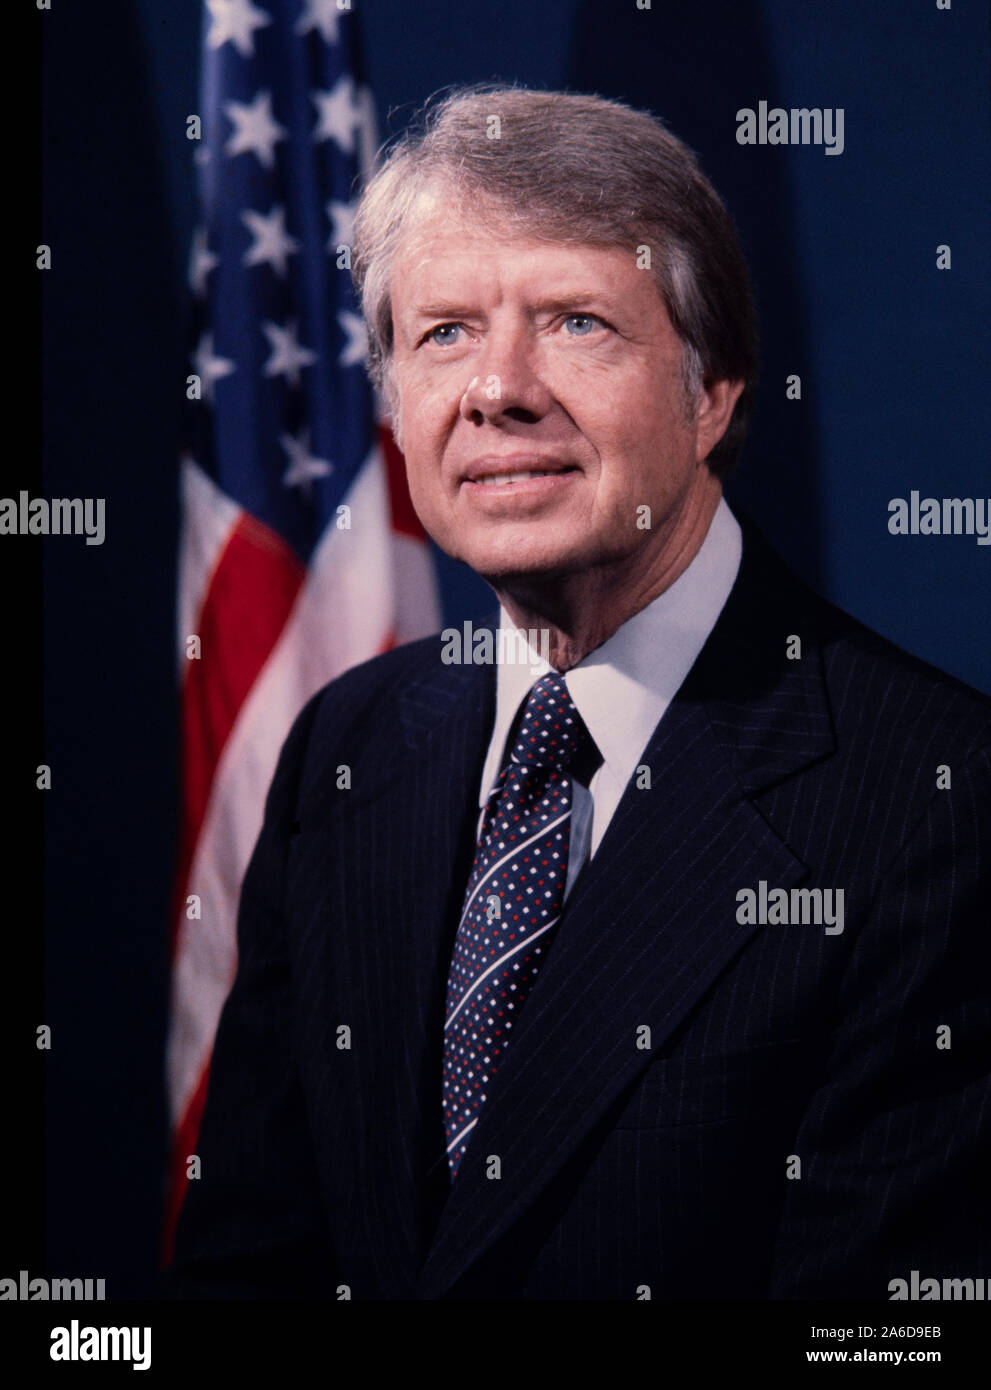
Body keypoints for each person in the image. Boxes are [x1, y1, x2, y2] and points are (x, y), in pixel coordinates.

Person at [169, 86, 990, 1301]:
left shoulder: (933, 798)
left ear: (711, 393)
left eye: (574, 322)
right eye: (445, 332)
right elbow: (247, 1269)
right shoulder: (344, 748)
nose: (497, 388)